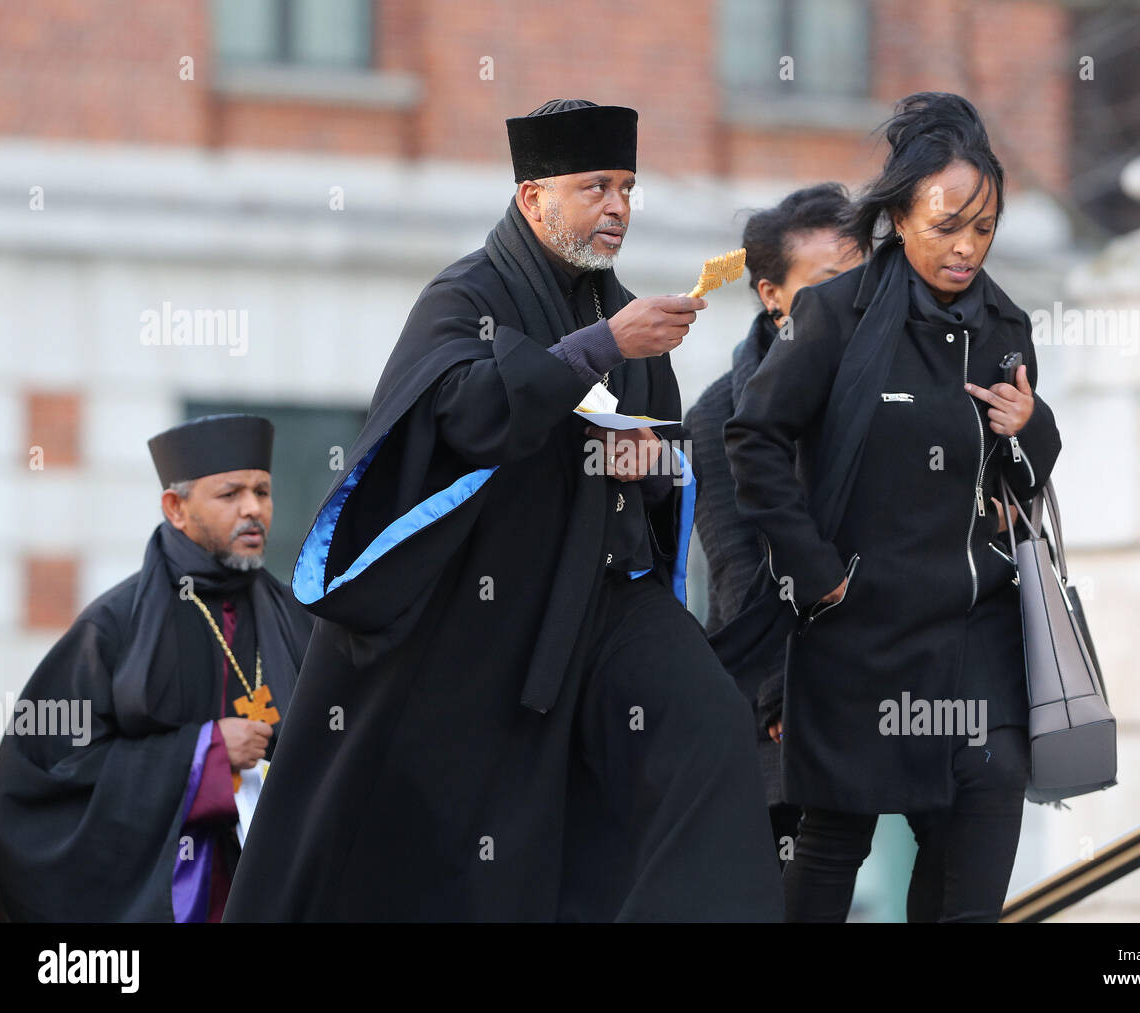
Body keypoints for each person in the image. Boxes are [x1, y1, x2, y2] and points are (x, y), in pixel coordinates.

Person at [223, 99, 783, 922]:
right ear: (533, 198)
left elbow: (656, 459)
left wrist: (653, 466)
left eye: (628, 187)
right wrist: (601, 349)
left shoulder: (620, 311)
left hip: (596, 607)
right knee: (454, 865)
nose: (619, 207)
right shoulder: (462, 298)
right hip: (467, 625)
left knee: (708, 727)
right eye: (597, 186)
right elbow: (461, 414)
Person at [723, 92, 1062, 922]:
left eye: (984, 227)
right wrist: (819, 575)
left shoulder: (1006, 326)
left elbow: (1020, 483)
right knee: (835, 844)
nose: (966, 246)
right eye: (947, 224)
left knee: (975, 844)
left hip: (976, 632)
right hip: (860, 633)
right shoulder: (832, 316)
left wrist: (1032, 428)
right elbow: (753, 438)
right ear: (900, 215)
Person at [0, 413, 313, 922]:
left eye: (262, 492)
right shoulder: (113, 626)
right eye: (230, 494)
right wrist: (204, 752)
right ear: (176, 508)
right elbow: (41, 778)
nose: (254, 509)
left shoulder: (296, 620)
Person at [685, 183, 861, 859]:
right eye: (827, 282)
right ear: (772, 295)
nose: (853, 298)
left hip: (912, 682)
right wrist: (777, 700)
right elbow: (737, 573)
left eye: (861, 277)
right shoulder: (721, 413)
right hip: (789, 698)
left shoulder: (906, 377)